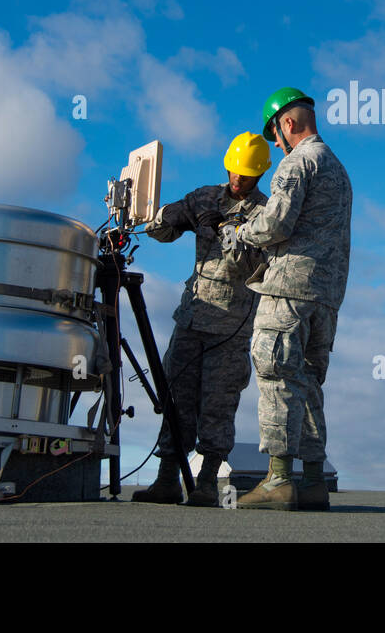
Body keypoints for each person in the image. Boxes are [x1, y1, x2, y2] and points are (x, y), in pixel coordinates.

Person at [131, 131, 270, 506]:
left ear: (260, 174)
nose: (238, 180)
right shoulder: (206, 196)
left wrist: (222, 230)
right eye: (234, 172)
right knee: (176, 398)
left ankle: (207, 481)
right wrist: (168, 218)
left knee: (217, 404)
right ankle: (166, 480)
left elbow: (256, 265)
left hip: (230, 326)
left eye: (246, 175)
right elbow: (158, 232)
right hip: (192, 317)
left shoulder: (265, 213)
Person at [229, 87, 352, 511]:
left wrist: (241, 233)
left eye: (275, 137)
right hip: (326, 297)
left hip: (287, 292)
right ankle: (314, 482)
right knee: (307, 384)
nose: (277, 146)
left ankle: (279, 480)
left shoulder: (297, 163)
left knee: (277, 377)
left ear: (287, 124)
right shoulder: (337, 168)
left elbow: (277, 224)